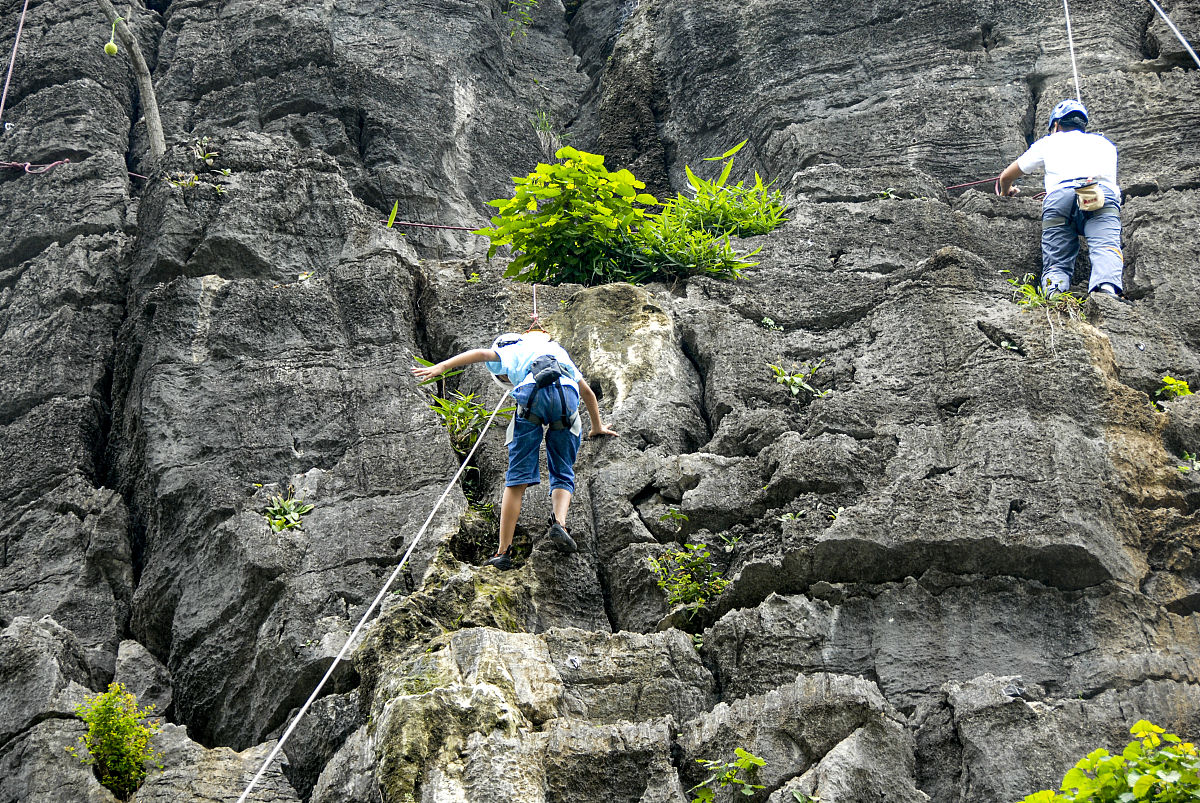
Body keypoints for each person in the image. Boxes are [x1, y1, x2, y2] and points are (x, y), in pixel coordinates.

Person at [412, 331, 618, 569]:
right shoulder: (559, 353)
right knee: (563, 471)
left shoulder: (511, 348)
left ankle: (503, 551)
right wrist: (597, 426)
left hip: (532, 395)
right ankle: (559, 524)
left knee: (516, 479)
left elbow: (480, 354)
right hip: (566, 397)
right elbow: (589, 394)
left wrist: (442, 366)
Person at [996, 99, 1124, 298]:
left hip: (1060, 197)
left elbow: (1006, 177)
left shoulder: (1048, 142)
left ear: (1056, 125)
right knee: (1105, 245)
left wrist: (1006, 192)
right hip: (1097, 193)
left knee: (1057, 258)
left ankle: (1054, 295)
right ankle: (1107, 292)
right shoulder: (1105, 143)